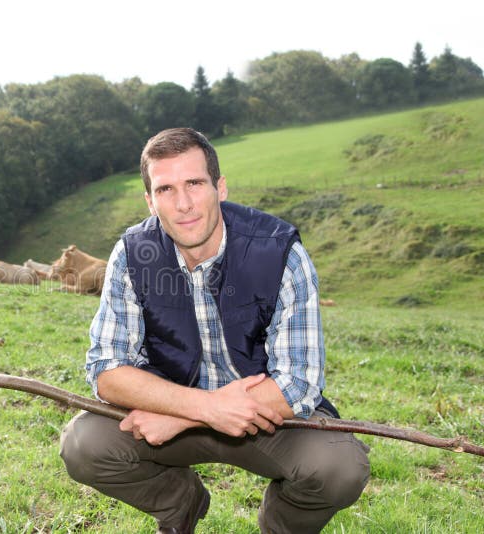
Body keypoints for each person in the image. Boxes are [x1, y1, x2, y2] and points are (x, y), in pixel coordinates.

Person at [59, 127, 370, 534]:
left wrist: (187, 416)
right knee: (84, 445)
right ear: (150, 201)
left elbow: (298, 384)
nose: (184, 203)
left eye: (194, 183)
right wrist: (204, 408)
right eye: (166, 189)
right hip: (168, 416)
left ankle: (280, 527)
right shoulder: (133, 254)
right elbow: (106, 370)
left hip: (264, 421)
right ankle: (180, 503)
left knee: (340, 467)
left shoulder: (279, 251)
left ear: (220, 187)